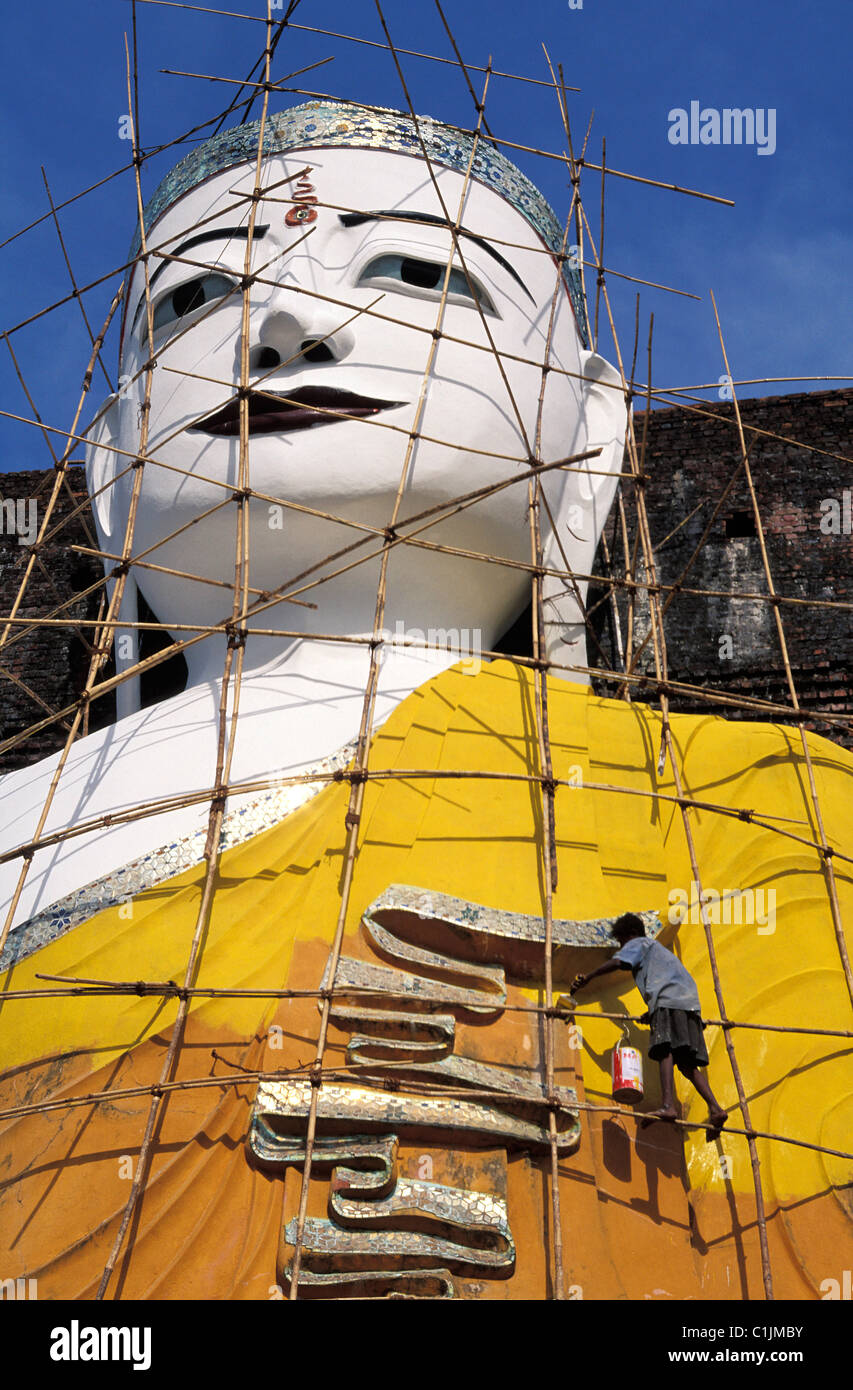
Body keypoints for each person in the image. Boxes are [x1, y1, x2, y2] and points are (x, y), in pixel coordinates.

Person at [571, 911, 728, 1138]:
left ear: (631, 934)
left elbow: (618, 962)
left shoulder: (639, 943)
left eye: (622, 942)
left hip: (669, 1002)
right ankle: (715, 1108)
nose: (623, 947)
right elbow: (668, 984)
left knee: (664, 1049)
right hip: (688, 1005)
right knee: (686, 1065)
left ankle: (668, 1106)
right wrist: (652, 1013)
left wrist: (588, 977)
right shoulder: (659, 953)